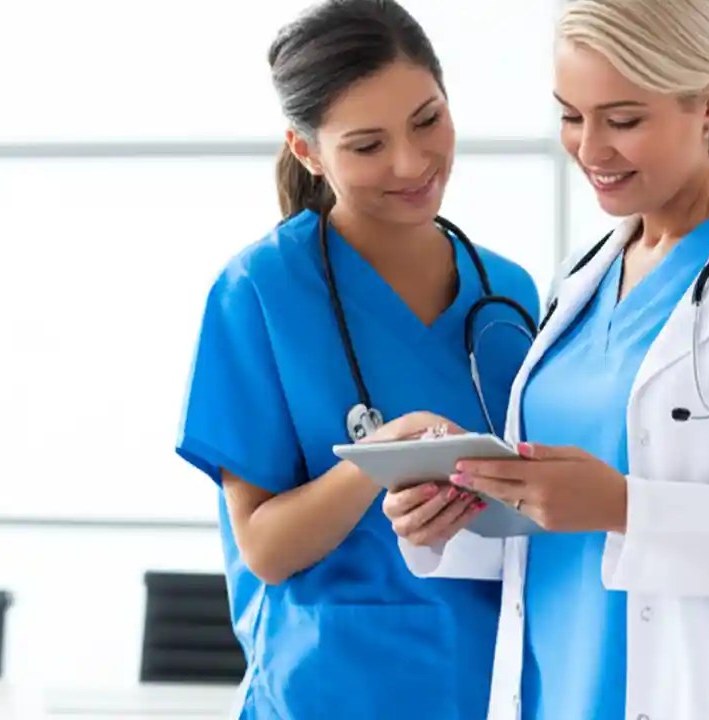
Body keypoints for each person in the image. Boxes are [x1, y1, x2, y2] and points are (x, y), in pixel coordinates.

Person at [383, 1, 709, 718]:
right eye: (570, 115)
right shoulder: (582, 278)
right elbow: (556, 531)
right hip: (550, 693)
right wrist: (456, 509)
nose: (589, 149)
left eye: (622, 120)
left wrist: (623, 506)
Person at [174, 1, 540, 717]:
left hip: (490, 687)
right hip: (328, 693)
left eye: (428, 120)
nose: (411, 163)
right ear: (308, 151)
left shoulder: (508, 292)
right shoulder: (261, 292)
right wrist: (379, 459)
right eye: (367, 145)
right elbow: (266, 550)